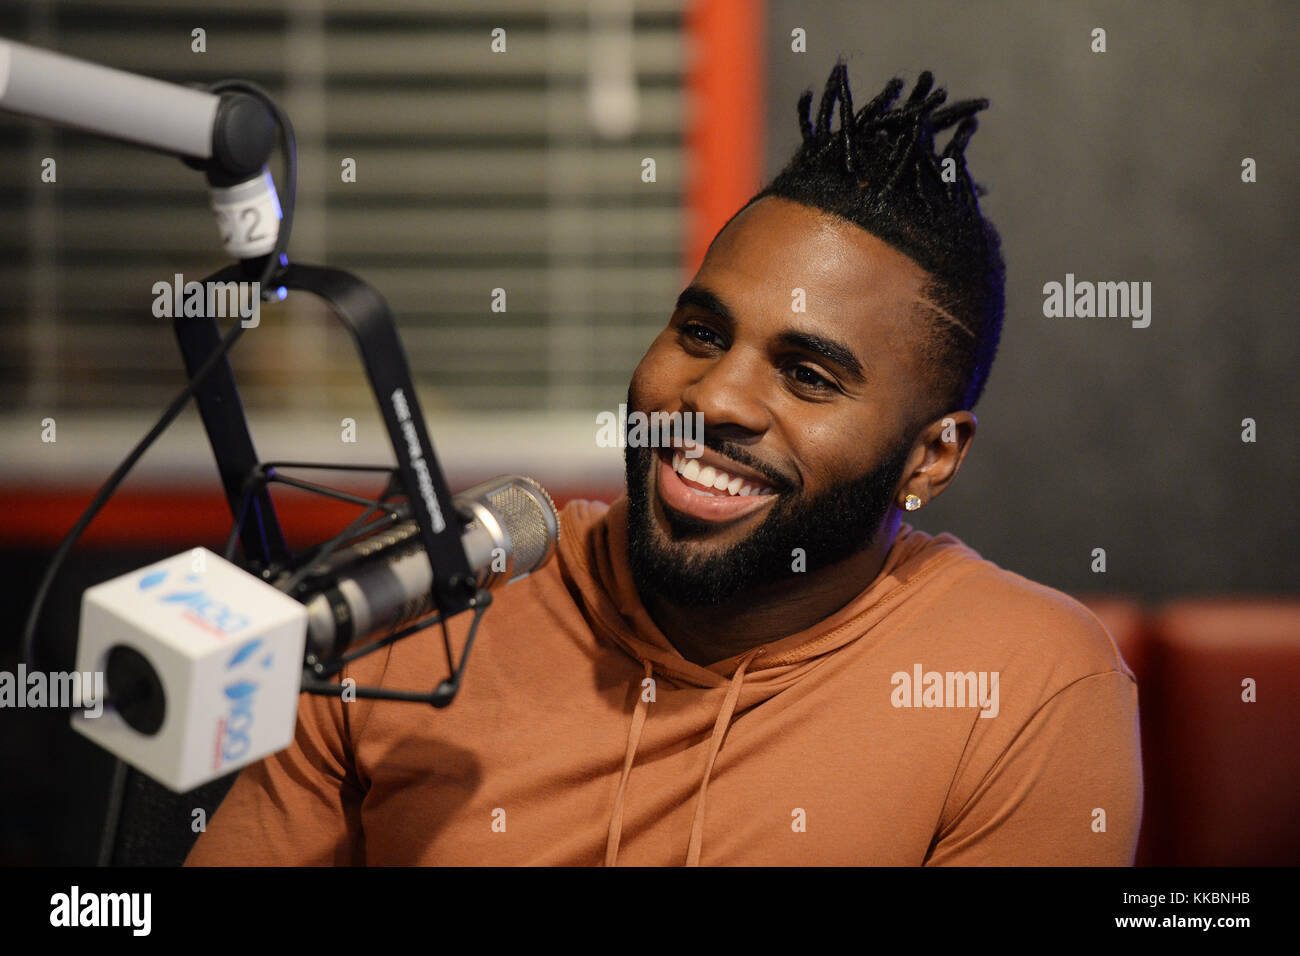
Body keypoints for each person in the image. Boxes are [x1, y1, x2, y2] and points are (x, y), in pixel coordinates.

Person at [186, 62, 1142, 866]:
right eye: (699, 331)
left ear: (931, 457)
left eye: (807, 376)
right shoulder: (421, 594)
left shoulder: (1023, 685)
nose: (716, 399)